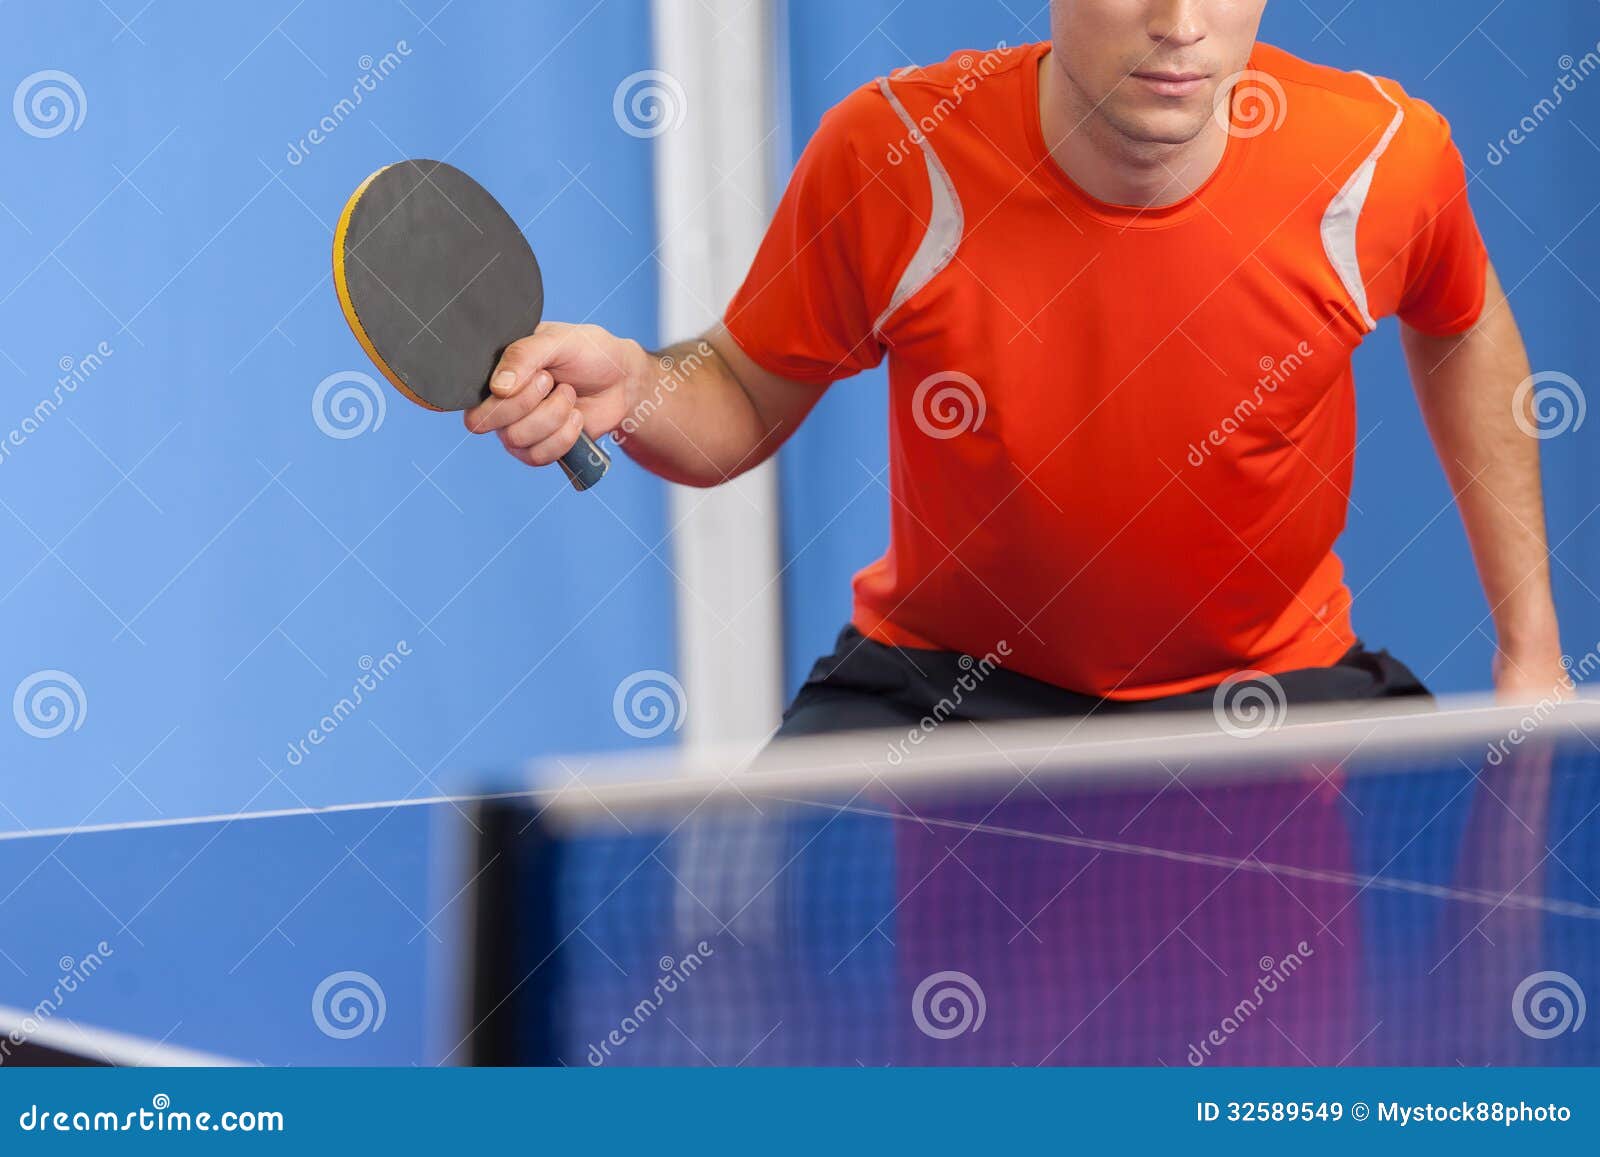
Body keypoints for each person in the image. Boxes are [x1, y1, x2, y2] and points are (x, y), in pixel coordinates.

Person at [464, 0, 1568, 738]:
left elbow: (1461, 324)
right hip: (944, 696)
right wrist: (635, 385)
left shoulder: (1380, 158)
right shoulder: (894, 153)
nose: (1180, 26)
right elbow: (743, 398)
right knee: (760, 1022)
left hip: (1274, 695)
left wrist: (1531, 654)